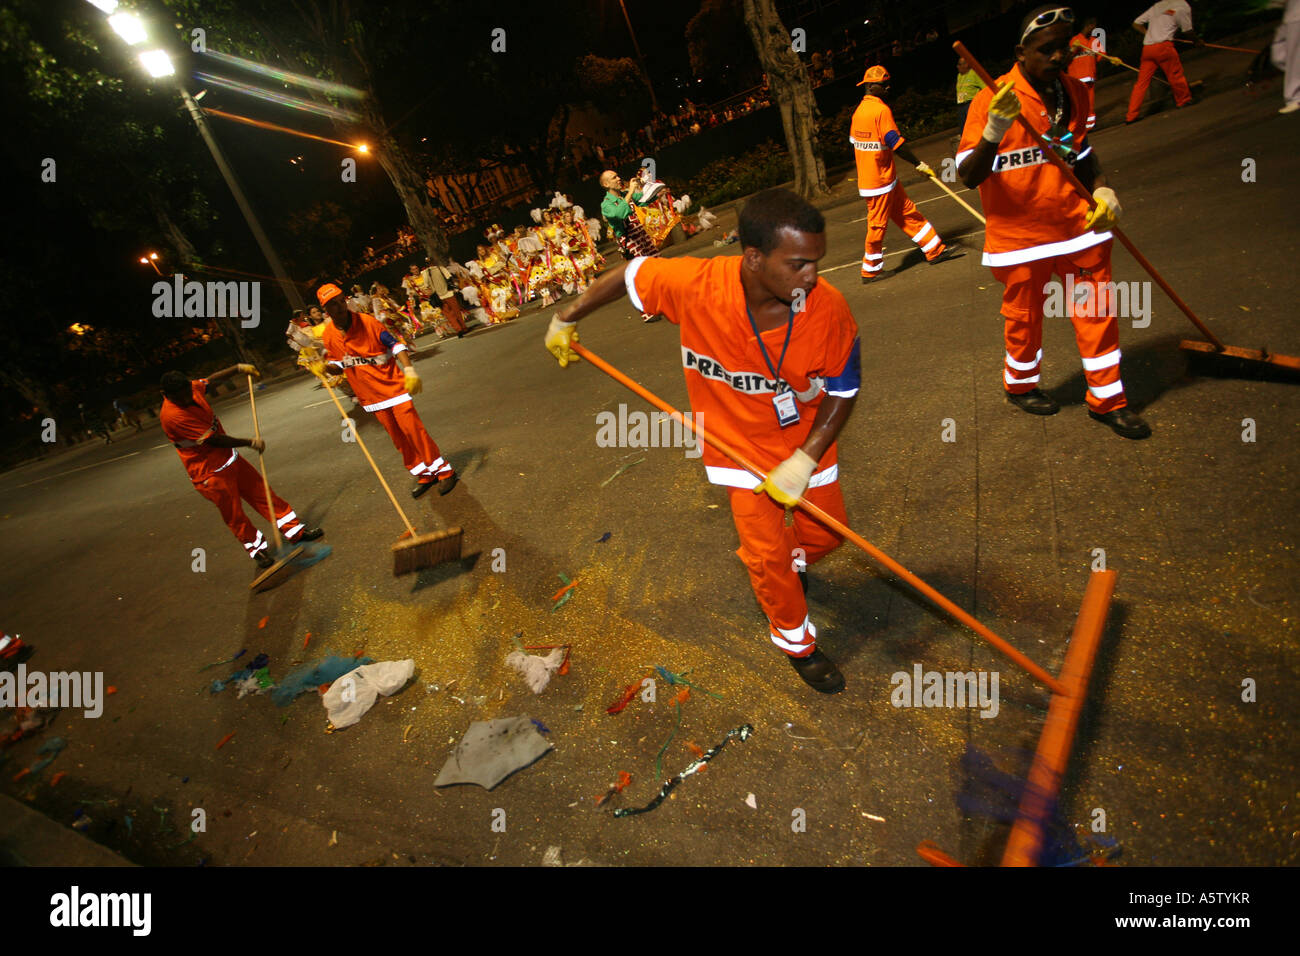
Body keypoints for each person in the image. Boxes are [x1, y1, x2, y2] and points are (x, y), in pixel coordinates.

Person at [544, 189, 862, 694]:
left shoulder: (827, 308)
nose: (812, 278)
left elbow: (845, 389)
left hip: (806, 442)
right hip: (737, 451)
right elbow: (629, 276)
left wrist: (804, 459)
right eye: (799, 264)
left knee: (828, 536)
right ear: (753, 258)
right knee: (767, 557)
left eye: (816, 262)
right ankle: (796, 640)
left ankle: (790, 563)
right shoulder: (696, 284)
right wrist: (566, 317)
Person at [958, 4, 1151, 439]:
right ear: (1020, 52)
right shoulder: (992, 98)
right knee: (1024, 318)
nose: (1058, 57)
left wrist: (1102, 188)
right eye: (1046, 50)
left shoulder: (1075, 91)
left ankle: (1108, 400)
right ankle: (1021, 385)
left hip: (1078, 227)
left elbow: (1081, 153)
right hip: (1019, 237)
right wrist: (993, 131)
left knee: (1097, 310)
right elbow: (967, 176)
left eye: (1064, 47)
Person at [159, 365, 323, 571]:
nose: (185, 399)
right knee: (235, 514)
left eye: (187, 393)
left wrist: (238, 369)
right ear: (166, 395)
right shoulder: (173, 416)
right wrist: (249, 442)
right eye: (179, 397)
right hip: (209, 473)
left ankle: (295, 531)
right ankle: (257, 550)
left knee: (264, 495)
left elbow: (211, 380)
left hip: (230, 460)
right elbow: (214, 440)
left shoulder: (191, 389)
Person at [314, 283, 458, 497]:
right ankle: (424, 473)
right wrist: (325, 368)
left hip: (393, 388)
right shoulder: (328, 335)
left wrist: (409, 369)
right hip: (370, 397)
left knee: (414, 432)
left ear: (345, 299)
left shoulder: (367, 322)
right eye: (332, 305)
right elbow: (340, 366)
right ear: (326, 310)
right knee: (399, 439)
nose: (339, 307)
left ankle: (444, 471)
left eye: (340, 300)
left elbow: (396, 345)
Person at [850, 65, 964, 282]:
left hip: (880, 178)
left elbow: (858, 144)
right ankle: (870, 270)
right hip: (879, 182)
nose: (888, 87)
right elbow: (896, 143)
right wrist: (918, 163)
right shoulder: (880, 111)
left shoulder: (858, 113)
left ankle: (935, 250)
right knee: (877, 225)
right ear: (871, 86)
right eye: (884, 84)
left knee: (907, 213)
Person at [1125, 0, 1197, 123]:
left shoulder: (1158, 5)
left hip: (1148, 48)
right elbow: (1187, 31)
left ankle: (1131, 115)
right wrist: (1197, 41)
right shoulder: (1182, 6)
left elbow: (1136, 23)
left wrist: (1149, 34)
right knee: (1175, 75)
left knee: (1141, 83)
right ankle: (1183, 100)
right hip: (1164, 47)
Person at [1067, 16, 1101, 130]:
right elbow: (1067, 58)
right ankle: (1080, 125)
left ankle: (1090, 125)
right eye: (1094, 26)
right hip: (1077, 77)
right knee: (1080, 103)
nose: (1094, 29)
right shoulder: (1074, 40)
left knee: (1090, 103)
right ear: (1089, 26)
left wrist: (1112, 59)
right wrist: (1073, 48)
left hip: (1090, 76)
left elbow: (1101, 56)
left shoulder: (1094, 41)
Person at [956, 55, 988, 132]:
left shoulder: (974, 74)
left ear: (966, 65)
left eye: (959, 64)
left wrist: (981, 103)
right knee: (963, 131)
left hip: (971, 105)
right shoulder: (959, 76)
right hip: (961, 106)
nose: (957, 66)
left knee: (974, 129)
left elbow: (986, 89)